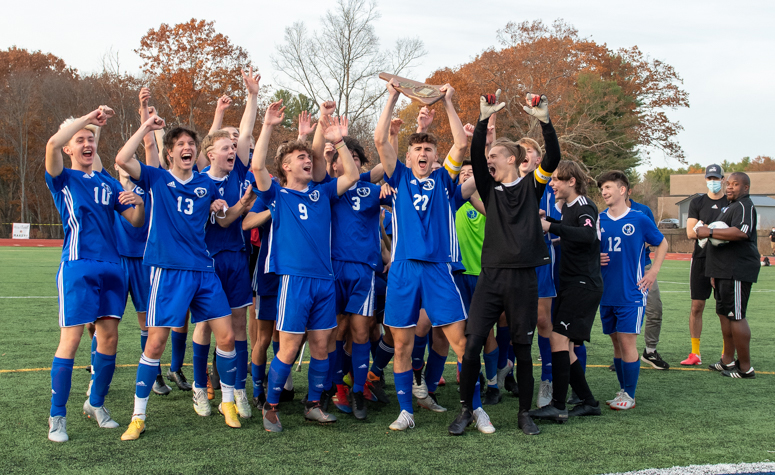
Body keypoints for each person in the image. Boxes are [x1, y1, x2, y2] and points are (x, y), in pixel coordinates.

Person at [116, 116, 252, 440]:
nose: (188, 148)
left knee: (229, 336)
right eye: (181, 145)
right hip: (169, 272)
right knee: (155, 342)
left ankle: (228, 402)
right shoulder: (157, 179)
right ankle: (138, 416)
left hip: (204, 271)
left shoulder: (206, 184)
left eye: (191, 144)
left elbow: (223, 221)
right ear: (170, 154)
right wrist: (145, 128)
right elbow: (122, 159)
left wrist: (238, 206)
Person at [374, 79, 487, 433]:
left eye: (428, 150)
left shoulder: (445, 180)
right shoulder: (400, 177)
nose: (423, 154)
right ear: (408, 157)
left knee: (461, 343)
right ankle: (406, 411)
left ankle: (476, 407)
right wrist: (392, 97)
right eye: (417, 150)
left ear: (436, 158)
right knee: (402, 344)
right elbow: (379, 140)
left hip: (439, 271)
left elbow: (461, 142)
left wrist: (450, 101)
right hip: (405, 271)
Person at [451, 91, 561, 436]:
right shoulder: (488, 187)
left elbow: (554, 156)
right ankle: (466, 409)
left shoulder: (533, 186)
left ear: (513, 160)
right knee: (472, 345)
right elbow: (474, 153)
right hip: (491, 279)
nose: (489, 161)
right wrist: (483, 119)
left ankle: (524, 414)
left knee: (523, 349)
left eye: (496, 156)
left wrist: (544, 120)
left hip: (524, 280)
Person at [253, 101, 360, 432]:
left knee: (320, 346)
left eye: (308, 157)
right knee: (287, 346)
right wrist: (268, 126)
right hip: (295, 282)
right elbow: (257, 167)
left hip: (324, 281)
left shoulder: (323, 192)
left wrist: (338, 140)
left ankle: (313, 404)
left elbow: (353, 174)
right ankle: (270, 407)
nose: (307, 160)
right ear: (285, 167)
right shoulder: (278, 196)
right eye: (299, 157)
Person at [45, 106, 146, 442]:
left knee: (110, 339)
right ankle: (57, 417)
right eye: (79, 139)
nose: (87, 143)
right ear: (68, 149)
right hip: (77, 266)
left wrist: (139, 203)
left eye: (91, 138)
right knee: (71, 341)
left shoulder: (106, 180)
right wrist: (87, 116)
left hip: (112, 268)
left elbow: (134, 220)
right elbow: (50, 144)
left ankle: (96, 404)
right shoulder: (62, 178)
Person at [193, 68, 261, 419]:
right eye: (226, 147)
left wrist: (252, 96)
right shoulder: (198, 181)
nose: (233, 149)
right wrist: (237, 207)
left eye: (234, 147)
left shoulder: (237, 173)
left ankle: (237, 390)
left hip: (236, 256)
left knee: (237, 324)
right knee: (206, 324)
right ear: (211, 153)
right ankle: (200, 386)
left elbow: (248, 132)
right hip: (209, 260)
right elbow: (222, 219)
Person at [528, 160, 603, 422]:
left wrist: (551, 227)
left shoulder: (583, 205)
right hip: (572, 284)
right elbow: (575, 237)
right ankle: (588, 401)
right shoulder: (569, 207)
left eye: (557, 179)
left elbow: (587, 235)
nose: (552, 184)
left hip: (582, 285)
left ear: (572, 181)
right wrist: (549, 221)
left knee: (558, 340)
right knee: (565, 346)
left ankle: (558, 405)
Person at [597, 171, 668, 411]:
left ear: (623, 189)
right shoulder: (599, 220)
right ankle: (623, 390)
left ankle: (630, 394)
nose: (604, 192)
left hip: (631, 294)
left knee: (628, 344)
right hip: (606, 294)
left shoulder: (639, 218)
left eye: (608, 187)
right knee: (616, 344)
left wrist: (653, 271)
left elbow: (662, 241)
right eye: (602, 189)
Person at [695, 172, 760, 378]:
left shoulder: (744, 206)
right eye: (728, 183)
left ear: (746, 187)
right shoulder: (730, 207)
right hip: (723, 271)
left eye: (735, 184)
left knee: (736, 316)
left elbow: (742, 232)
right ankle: (728, 360)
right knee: (724, 314)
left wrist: (709, 232)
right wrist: (715, 271)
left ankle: (745, 368)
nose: (729, 187)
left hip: (736, 271)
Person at [682, 164, 728, 365]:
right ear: (705, 179)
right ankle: (695, 353)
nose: (713, 182)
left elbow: (733, 231)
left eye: (716, 178)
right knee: (697, 306)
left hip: (724, 260)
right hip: (701, 258)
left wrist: (707, 230)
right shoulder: (698, 202)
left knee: (724, 308)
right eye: (709, 178)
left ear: (723, 179)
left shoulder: (731, 202)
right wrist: (715, 230)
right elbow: (691, 232)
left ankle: (727, 353)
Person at [627, 190, 669, 370]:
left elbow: (656, 238)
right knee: (621, 312)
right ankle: (623, 354)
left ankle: (650, 351)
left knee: (654, 309)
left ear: (626, 190)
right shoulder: (607, 214)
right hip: (620, 269)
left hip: (644, 268)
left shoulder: (642, 211)